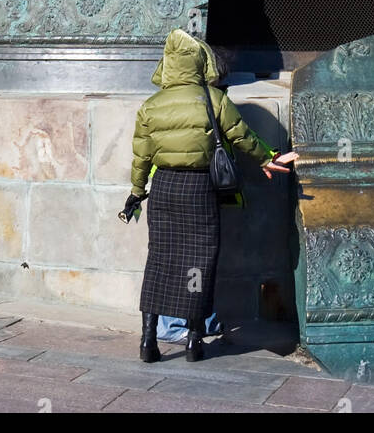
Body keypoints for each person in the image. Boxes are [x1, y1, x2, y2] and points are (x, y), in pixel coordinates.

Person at [125, 27, 297, 364]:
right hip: (198, 188)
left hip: (163, 191)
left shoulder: (150, 106)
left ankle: (148, 341)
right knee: (197, 263)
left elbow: (141, 157)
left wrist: (135, 192)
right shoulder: (212, 99)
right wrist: (267, 157)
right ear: (198, 63)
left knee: (160, 260)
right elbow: (241, 136)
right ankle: (193, 341)